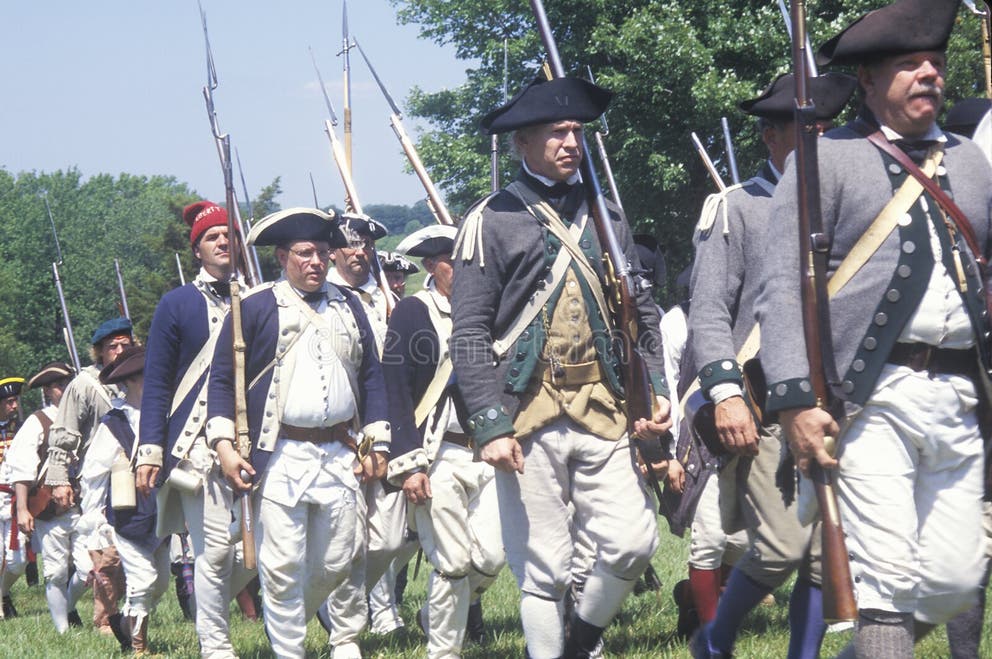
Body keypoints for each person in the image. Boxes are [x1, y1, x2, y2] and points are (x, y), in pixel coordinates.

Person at [756, 0, 992, 656]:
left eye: (937, 64)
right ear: (868, 81)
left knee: (952, 579)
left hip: (960, 395)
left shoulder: (970, 164)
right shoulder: (824, 159)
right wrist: (797, 398)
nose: (929, 76)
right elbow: (780, 287)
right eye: (910, 65)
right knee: (886, 582)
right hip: (870, 400)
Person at [451, 74, 672, 659]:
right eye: (556, 132)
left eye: (576, 131)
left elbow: (640, 311)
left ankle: (579, 644)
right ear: (523, 143)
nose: (570, 142)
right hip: (526, 413)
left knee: (633, 544)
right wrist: (490, 424)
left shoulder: (608, 216)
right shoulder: (489, 220)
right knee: (544, 570)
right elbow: (469, 333)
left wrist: (657, 389)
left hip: (605, 408)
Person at [688, 71, 857, 659]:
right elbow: (707, 312)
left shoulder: (845, 204)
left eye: (827, 130)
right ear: (771, 137)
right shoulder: (738, 208)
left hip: (833, 399)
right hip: (761, 399)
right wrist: (725, 392)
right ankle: (714, 641)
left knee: (822, 552)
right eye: (805, 131)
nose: (820, 143)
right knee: (784, 546)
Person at [206, 207, 391, 658]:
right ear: (283, 257)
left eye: (323, 254)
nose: (316, 262)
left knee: (341, 559)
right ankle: (291, 649)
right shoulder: (253, 306)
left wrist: (378, 442)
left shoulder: (349, 305)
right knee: (283, 563)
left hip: (340, 450)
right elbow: (221, 380)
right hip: (281, 450)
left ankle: (341, 637)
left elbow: (371, 375)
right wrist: (225, 445)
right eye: (305, 254)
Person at [135, 200, 256, 658]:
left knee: (263, 549)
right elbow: (159, 382)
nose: (224, 242)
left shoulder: (259, 296)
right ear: (197, 250)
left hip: (253, 439)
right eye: (212, 236)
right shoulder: (177, 304)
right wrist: (150, 449)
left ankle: (215, 612)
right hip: (194, 447)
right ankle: (216, 647)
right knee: (215, 552)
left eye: (230, 235)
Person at [386, 224, 505, 657]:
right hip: (438, 452)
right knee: (452, 564)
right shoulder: (412, 313)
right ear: (432, 267)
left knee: (491, 559)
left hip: (489, 451)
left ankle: (434, 616)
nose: (466, 270)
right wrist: (410, 462)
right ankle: (444, 650)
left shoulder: (494, 310)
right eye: (455, 263)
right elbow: (395, 389)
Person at [46, 317, 133, 634]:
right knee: (97, 556)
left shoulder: (138, 379)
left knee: (132, 550)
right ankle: (102, 619)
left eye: (125, 343)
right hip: (97, 480)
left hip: (134, 474)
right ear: (100, 351)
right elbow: (64, 435)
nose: (120, 350)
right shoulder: (84, 385)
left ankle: (128, 613)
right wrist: (59, 479)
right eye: (113, 346)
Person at [81, 346, 170, 655]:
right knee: (144, 581)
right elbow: (93, 477)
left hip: (162, 515)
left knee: (159, 586)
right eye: (150, 377)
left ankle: (123, 625)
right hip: (128, 518)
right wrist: (95, 526)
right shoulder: (114, 424)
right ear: (131, 381)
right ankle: (139, 648)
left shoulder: (166, 418)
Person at [7, 362, 89, 632]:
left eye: (67, 383)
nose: (64, 389)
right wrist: (21, 509)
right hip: (49, 508)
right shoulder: (38, 421)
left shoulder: (84, 416)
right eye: (58, 385)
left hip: (85, 504)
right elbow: (21, 467)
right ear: (47, 391)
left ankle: (67, 606)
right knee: (55, 572)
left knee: (89, 570)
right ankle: (64, 632)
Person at [0, 376, 25, 619]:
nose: (14, 406)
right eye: (9, 402)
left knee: (17, 562)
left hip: (15, 501)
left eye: (15, 401)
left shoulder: (22, 429)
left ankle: (3, 592)